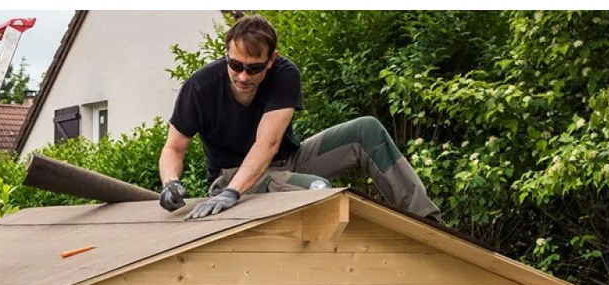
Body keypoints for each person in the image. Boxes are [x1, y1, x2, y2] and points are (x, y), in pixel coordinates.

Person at [158, 14, 442, 223]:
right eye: (236, 66)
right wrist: (171, 182)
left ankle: (429, 223)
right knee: (316, 189)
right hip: (230, 176)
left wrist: (234, 193)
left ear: (271, 60)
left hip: (285, 161)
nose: (243, 76)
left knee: (366, 130)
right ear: (227, 54)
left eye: (254, 69)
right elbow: (174, 147)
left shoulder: (285, 74)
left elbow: (267, 144)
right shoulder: (200, 87)